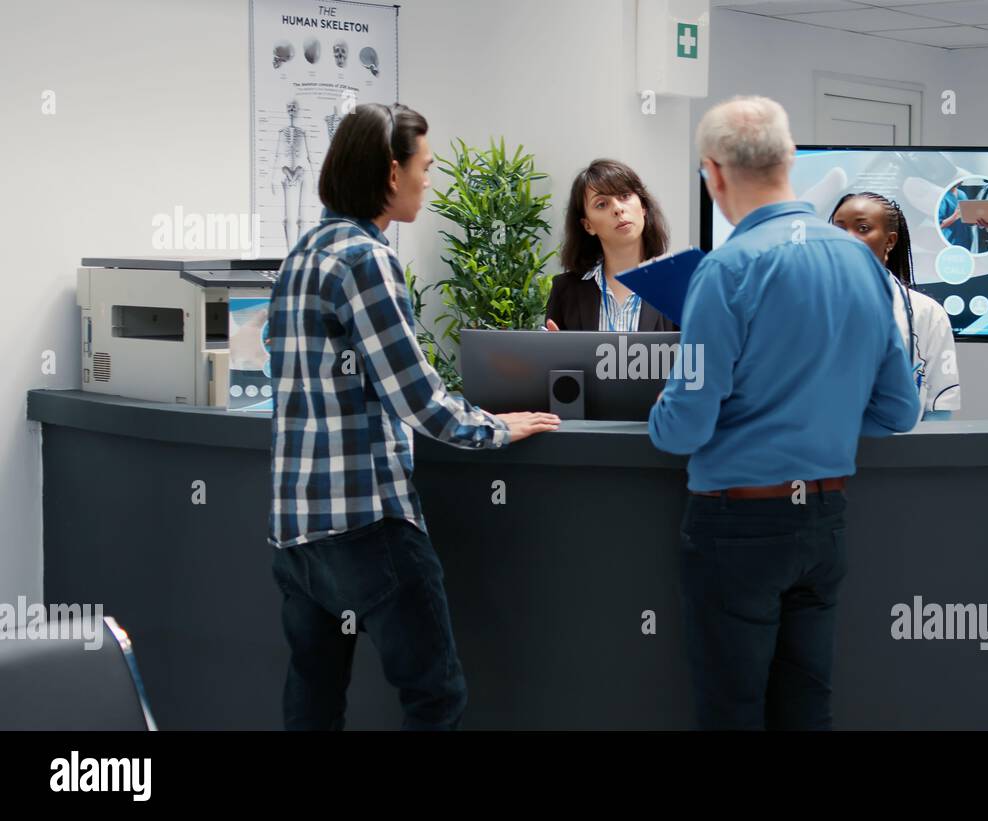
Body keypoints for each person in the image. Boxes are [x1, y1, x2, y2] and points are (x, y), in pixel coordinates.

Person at [267, 102, 560, 730]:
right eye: (424, 167)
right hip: (369, 525)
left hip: (298, 531)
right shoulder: (366, 260)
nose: (430, 180)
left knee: (313, 706)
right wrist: (499, 426)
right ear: (391, 172)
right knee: (435, 697)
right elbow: (418, 399)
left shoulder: (302, 255)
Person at [648, 96, 920, 730]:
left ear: (712, 173)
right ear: (790, 158)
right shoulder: (862, 264)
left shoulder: (724, 271)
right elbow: (899, 410)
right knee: (806, 709)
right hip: (824, 522)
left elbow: (683, 425)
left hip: (736, 526)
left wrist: (665, 403)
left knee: (732, 712)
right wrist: (819, 416)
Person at [831, 192, 961, 421]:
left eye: (862, 228)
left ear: (890, 241)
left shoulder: (926, 313)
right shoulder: (808, 304)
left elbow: (938, 408)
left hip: (899, 451)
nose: (848, 238)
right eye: (839, 228)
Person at [544, 159, 677, 332]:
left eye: (625, 196)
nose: (617, 209)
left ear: (643, 207)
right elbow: (554, 358)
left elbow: (696, 355)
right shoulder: (566, 291)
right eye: (601, 204)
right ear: (588, 225)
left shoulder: (675, 285)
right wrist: (552, 354)